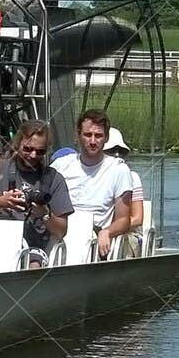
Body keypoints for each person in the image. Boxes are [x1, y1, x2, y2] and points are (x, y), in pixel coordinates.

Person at [0, 120, 73, 265]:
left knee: (33, 267)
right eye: (27, 149)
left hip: (33, 247)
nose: (33, 155)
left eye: (40, 152)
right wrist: (1, 202)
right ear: (17, 144)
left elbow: (60, 231)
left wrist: (44, 214)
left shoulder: (53, 178)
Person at [53, 109, 133, 261]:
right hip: (61, 230)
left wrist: (108, 231)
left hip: (94, 236)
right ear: (78, 136)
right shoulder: (60, 165)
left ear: (106, 138)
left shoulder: (119, 170)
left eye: (98, 136)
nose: (93, 141)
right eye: (88, 135)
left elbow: (124, 220)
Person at [103, 127, 146, 257]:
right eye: (112, 151)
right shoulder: (94, 178)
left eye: (120, 151)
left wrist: (110, 229)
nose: (117, 154)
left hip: (126, 234)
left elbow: (138, 219)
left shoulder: (132, 177)